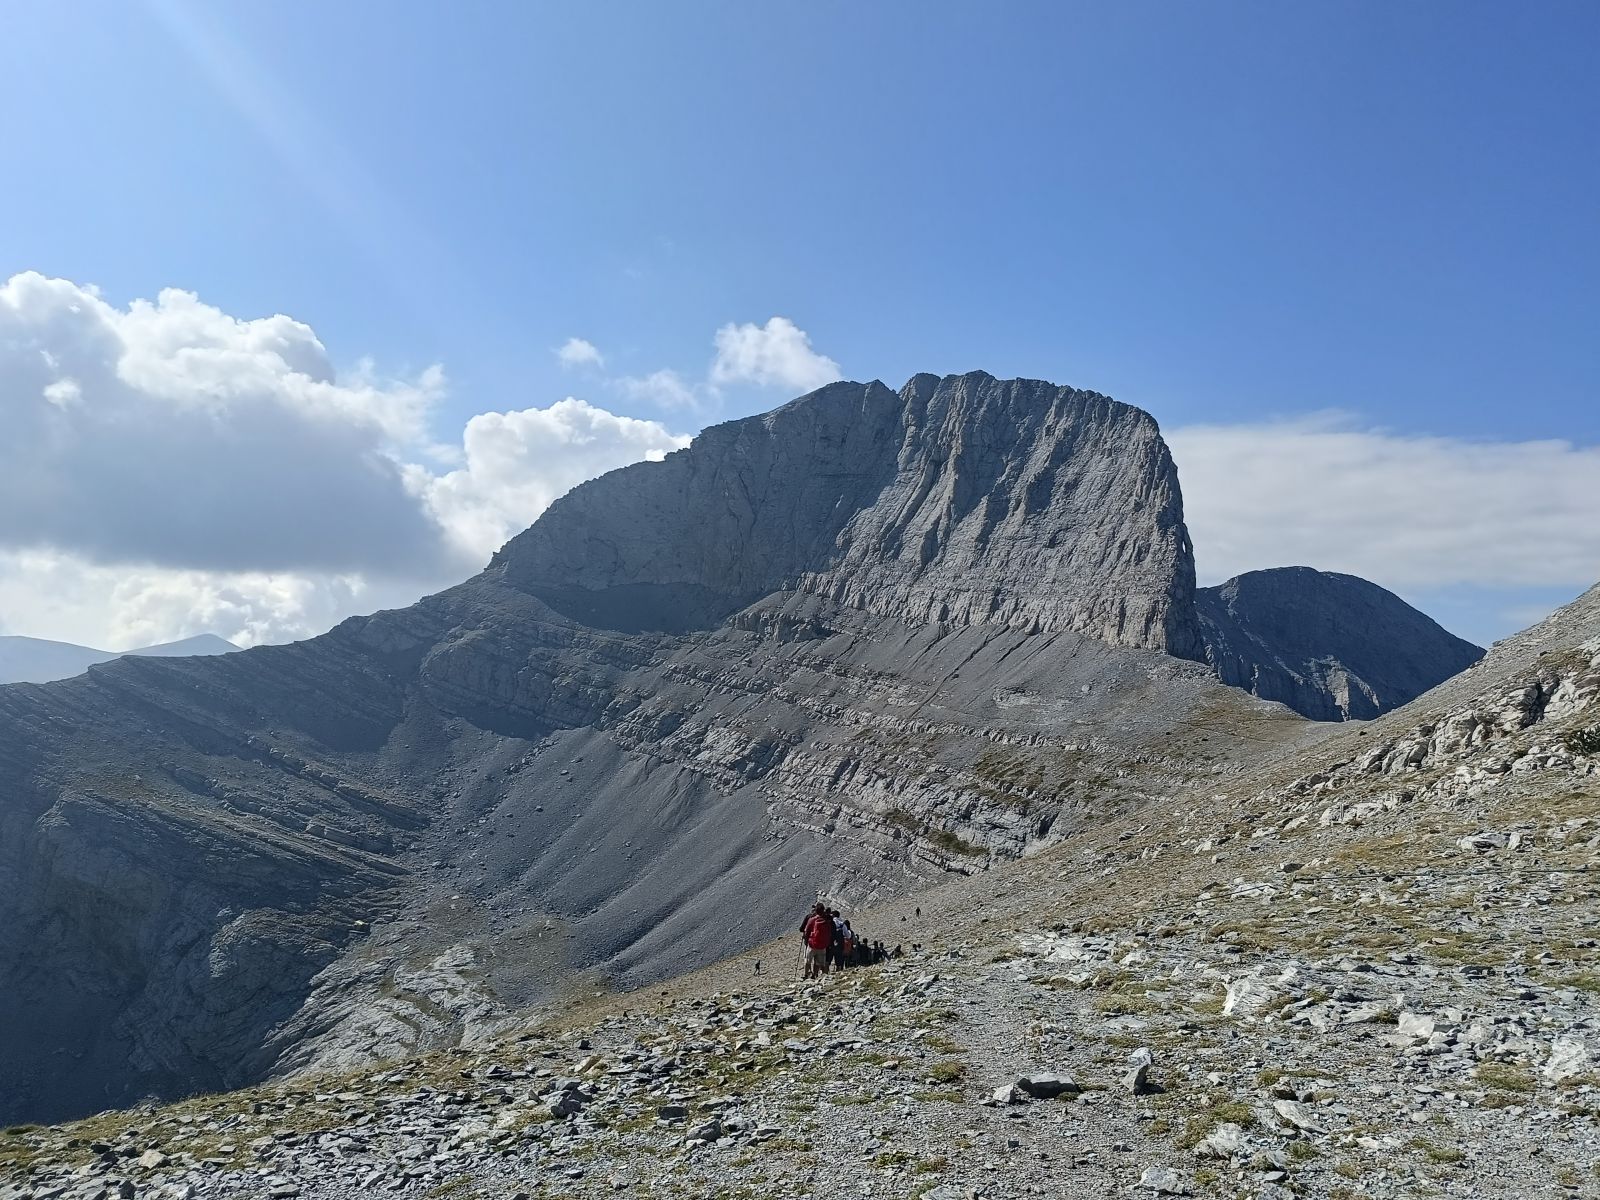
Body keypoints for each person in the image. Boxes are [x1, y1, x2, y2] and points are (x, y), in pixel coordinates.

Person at [800, 902, 832, 979]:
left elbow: (806, 931)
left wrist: (806, 941)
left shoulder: (811, 919)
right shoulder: (827, 919)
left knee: (808, 960)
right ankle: (816, 974)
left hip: (812, 944)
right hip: (822, 945)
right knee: (819, 962)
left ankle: (806, 974)